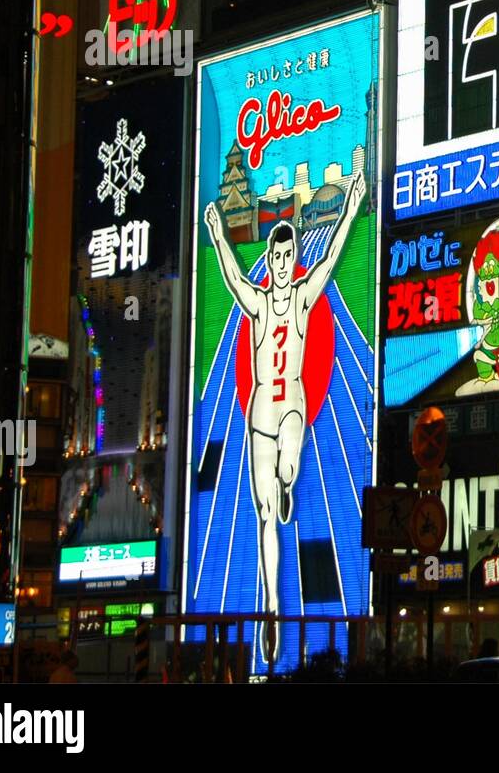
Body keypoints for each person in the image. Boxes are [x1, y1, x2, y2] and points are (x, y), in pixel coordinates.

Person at [203, 170, 365, 663]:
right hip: (259, 415)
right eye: (273, 257)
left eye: (284, 256)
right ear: (269, 261)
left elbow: (333, 256)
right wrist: (216, 233)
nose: (278, 264)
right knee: (264, 515)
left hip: (291, 405)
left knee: (289, 461)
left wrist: (353, 205)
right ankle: (272, 606)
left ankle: (290, 479)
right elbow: (232, 277)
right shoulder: (256, 305)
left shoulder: (299, 300)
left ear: (293, 260)